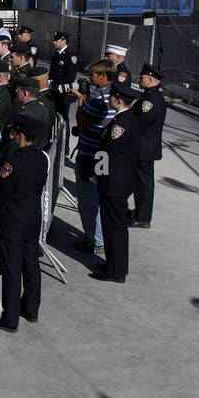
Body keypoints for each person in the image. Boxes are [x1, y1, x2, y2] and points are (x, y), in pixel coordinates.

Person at [0, 113, 49, 332]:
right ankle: (31, 308)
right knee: (31, 264)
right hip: (32, 217)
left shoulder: (13, 163)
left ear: (19, 135)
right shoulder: (41, 158)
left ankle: (9, 317)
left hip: (12, 220)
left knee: (11, 269)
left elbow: (2, 192)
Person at [92, 82, 141, 283]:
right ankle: (116, 264)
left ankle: (115, 270)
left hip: (113, 183)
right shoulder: (129, 119)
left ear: (118, 100)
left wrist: (97, 174)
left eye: (112, 96)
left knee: (114, 227)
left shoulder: (120, 124)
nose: (110, 98)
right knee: (115, 226)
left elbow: (107, 153)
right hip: (121, 180)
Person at [70, 60, 117, 258]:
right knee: (100, 195)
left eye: (93, 75)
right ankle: (99, 237)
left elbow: (81, 121)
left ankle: (95, 239)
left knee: (88, 198)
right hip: (104, 154)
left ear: (103, 76)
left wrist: (81, 100)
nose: (90, 78)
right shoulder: (115, 94)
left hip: (90, 154)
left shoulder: (98, 96)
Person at [132, 64, 166, 230]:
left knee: (144, 184)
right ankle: (139, 211)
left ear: (151, 79)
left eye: (142, 77)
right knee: (139, 182)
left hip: (144, 148)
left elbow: (139, 122)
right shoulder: (148, 96)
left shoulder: (151, 101)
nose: (139, 79)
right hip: (142, 147)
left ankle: (143, 217)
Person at [47, 31, 78, 125]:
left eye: (56, 40)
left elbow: (71, 76)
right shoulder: (57, 54)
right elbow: (52, 71)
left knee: (63, 117)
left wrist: (59, 86)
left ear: (64, 40)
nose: (54, 42)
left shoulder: (70, 55)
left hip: (63, 92)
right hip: (54, 89)